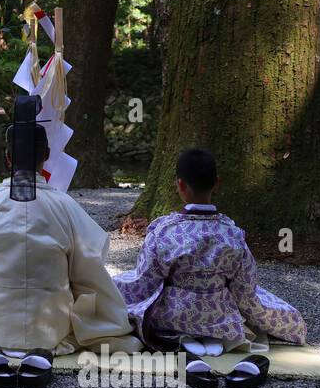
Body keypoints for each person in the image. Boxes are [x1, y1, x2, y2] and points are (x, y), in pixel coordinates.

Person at [0, 95, 143, 361]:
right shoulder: (65, 206)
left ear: (8, 158)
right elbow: (89, 269)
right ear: (47, 155)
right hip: (52, 328)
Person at [113, 148, 307, 357]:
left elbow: (145, 281)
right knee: (248, 301)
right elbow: (244, 290)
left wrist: (112, 288)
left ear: (180, 184)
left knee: (120, 286)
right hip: (219, 313)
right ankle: (213, 334)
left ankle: (182, 336)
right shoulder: (232, 234)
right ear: (216, 183)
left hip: (174, 314)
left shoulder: (164, 232)